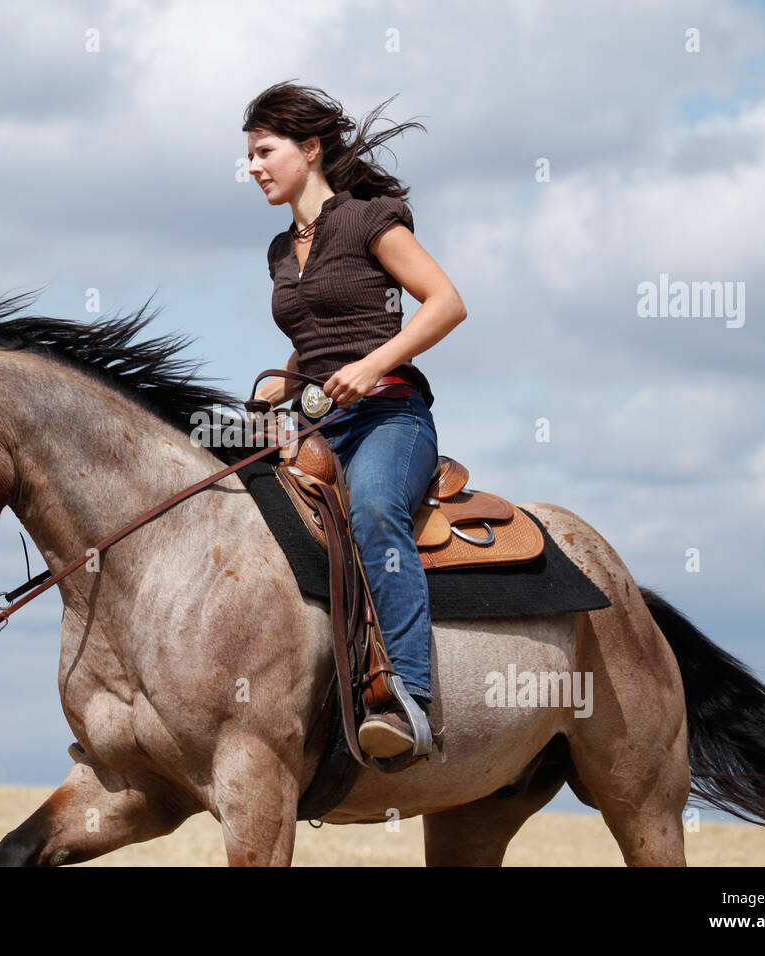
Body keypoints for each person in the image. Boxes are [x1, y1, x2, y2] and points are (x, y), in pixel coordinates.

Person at [244, 81, 467, 760]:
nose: (253, 167)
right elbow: (316, 337)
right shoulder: (281, 251)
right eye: (249, 155)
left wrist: (374, 365)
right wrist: (281, 381)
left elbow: (447, 302)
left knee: (372, 508)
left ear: (310, 149)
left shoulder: (371, 218)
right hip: (314, 423)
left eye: (264, 151)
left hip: (389, 417)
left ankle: (407, 701)